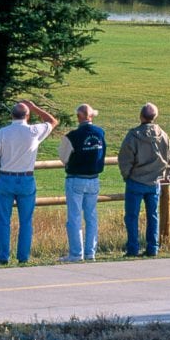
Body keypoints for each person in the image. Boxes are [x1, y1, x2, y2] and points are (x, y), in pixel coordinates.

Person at [0, 100, 58, 264]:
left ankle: (3, 256)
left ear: (11, 115)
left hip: (6, 178)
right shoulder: (34, 131)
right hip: (26, 178)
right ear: (27, 115)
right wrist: (34, 107)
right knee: (26, 221)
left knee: (3, 221)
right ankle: (23, 257)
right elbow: (52, 121)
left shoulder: (3, 132)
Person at [118, 102, 170, 257]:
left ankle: (133, 248)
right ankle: (152, 247)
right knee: (153, 216)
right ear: (155, 117)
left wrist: (127, 175)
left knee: (131, 216)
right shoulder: (163, 135)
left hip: (136, 180)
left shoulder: (133, 135)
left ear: (141, 116)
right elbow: (169, 158)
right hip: (154, 181)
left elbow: (125, 158)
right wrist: (162, 174)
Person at [58, 103, 106, 262]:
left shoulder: (72, 136)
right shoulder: (100, 133)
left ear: (78, 117)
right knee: (91, 217)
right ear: (91, 116)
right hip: (94, 178)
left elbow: (63, 157)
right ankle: (91, 252)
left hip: (76, 179)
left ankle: (76, 253)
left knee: (75, 217)